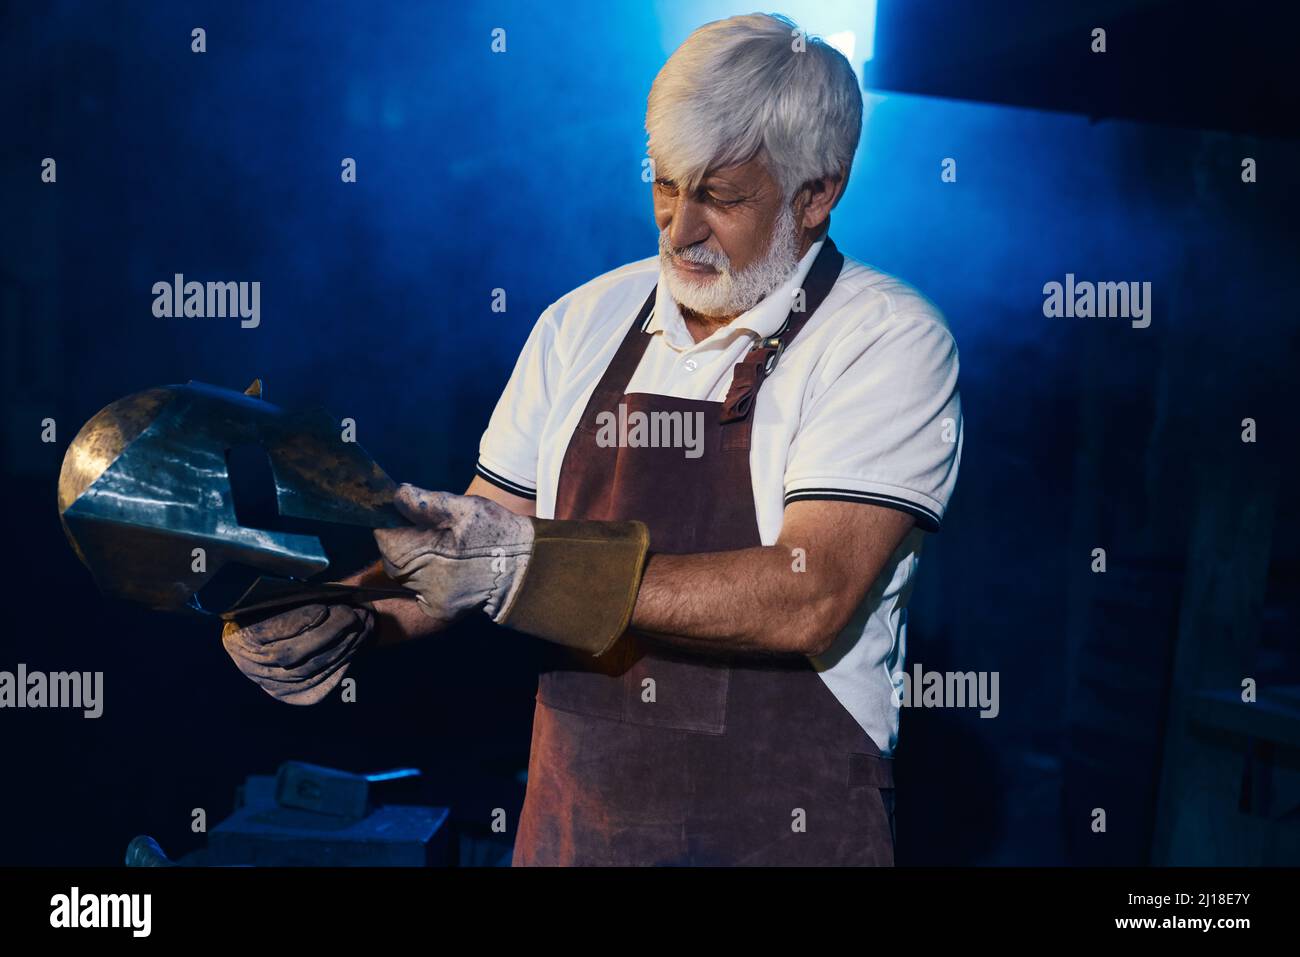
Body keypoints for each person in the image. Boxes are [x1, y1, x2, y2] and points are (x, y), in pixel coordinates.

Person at [223, 12, 963, 866]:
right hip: (577, 832)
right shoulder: (580, 323)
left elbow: (812, 593)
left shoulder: (885, 338)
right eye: (666, 184)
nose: (679, 228)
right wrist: (352, 615)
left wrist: (521, 564)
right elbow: (468, 542)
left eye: (720, 196)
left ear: (817, 193)